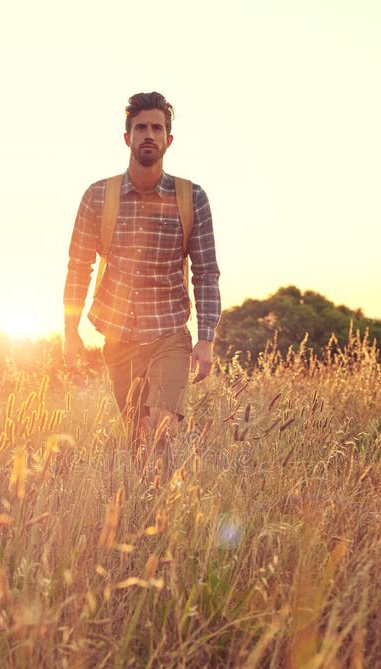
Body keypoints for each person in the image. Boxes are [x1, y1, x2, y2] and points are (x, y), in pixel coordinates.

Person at [63, 91, 221, 455]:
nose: (149, 134)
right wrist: (70, 332)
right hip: (118, 338)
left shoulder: (192, 197)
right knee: (137, 440)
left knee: (160, 430)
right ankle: (144, 508)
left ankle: (162, 502)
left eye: (157, 127)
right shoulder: (98, 196)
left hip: (169, 335)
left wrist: (206, 338)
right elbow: (78, 267)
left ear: (168, 139)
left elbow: (206, 271)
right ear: (127, 137)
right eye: (140, 128)